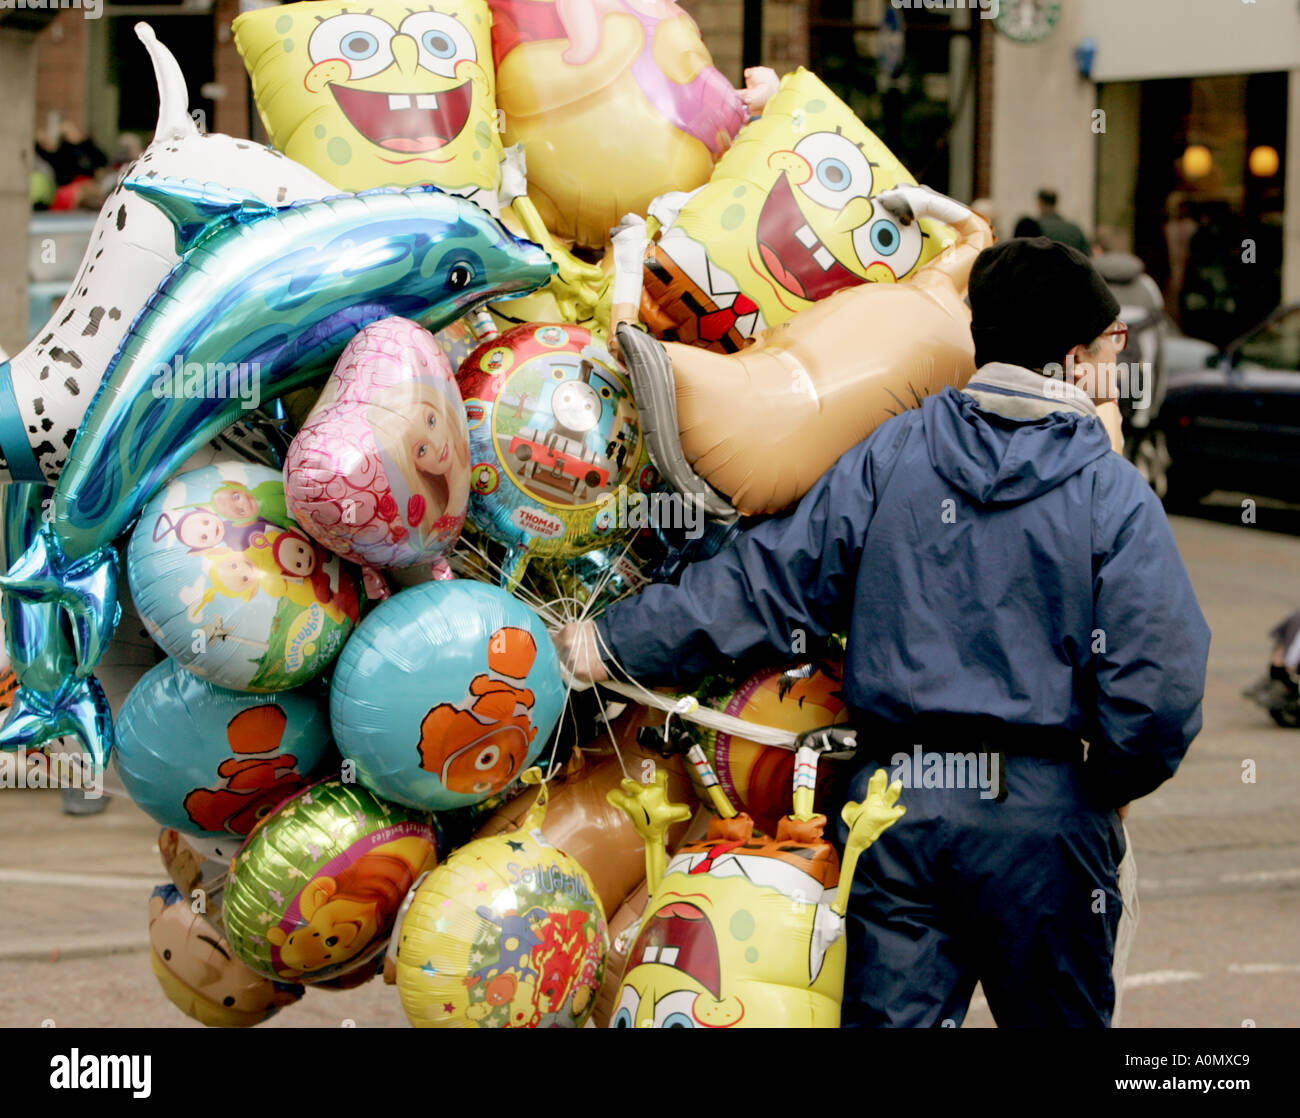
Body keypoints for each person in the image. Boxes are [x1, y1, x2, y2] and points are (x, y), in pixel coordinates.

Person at [555, 236, 1210, 1027]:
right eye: (1112, 341)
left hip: (896, 810)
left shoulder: (895, 452)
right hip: (1045, 819)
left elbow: (767, 584)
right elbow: (1160, 688)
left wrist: (612, 641)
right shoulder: (1110, 493)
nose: (1120, 358)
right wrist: (1101, 785)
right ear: (1072, 359)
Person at [1029, 188, 1090, 255]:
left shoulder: (1032, 229)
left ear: (1040, 203)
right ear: (1055, 203)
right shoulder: (1075, 229)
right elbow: (1086, 256)